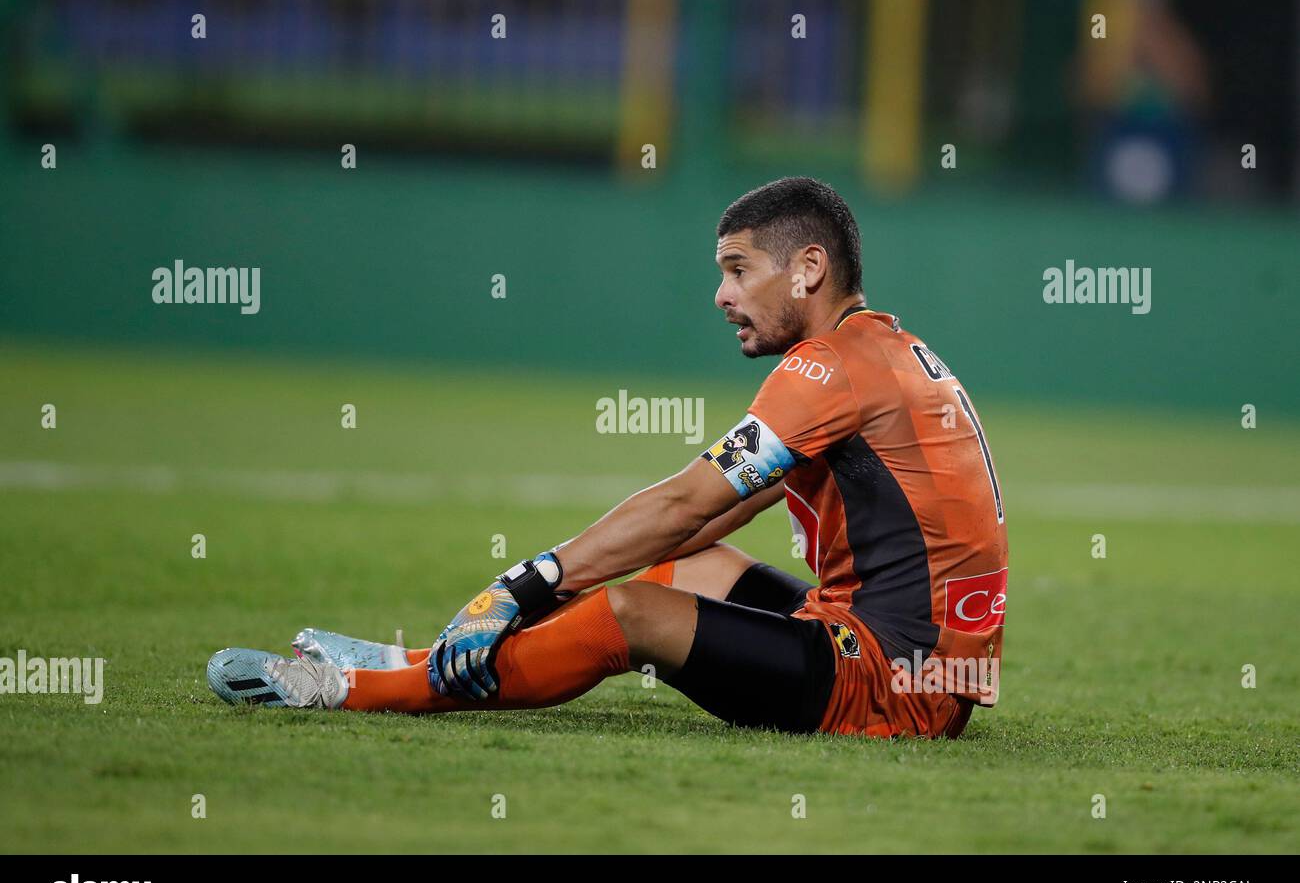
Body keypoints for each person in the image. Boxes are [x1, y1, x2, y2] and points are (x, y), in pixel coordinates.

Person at [208, 177, 1008, 739]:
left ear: (808, 269)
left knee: (631, 614)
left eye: (738, 270)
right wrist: (558, 580)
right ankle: (415, 655)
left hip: (898, 688)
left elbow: (686, 500)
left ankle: (358, 688)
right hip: (932, 670)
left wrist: (526, 580)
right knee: (679, 569)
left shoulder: (824, 367)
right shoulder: (883, 350)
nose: (722, 295)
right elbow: (720, 510)